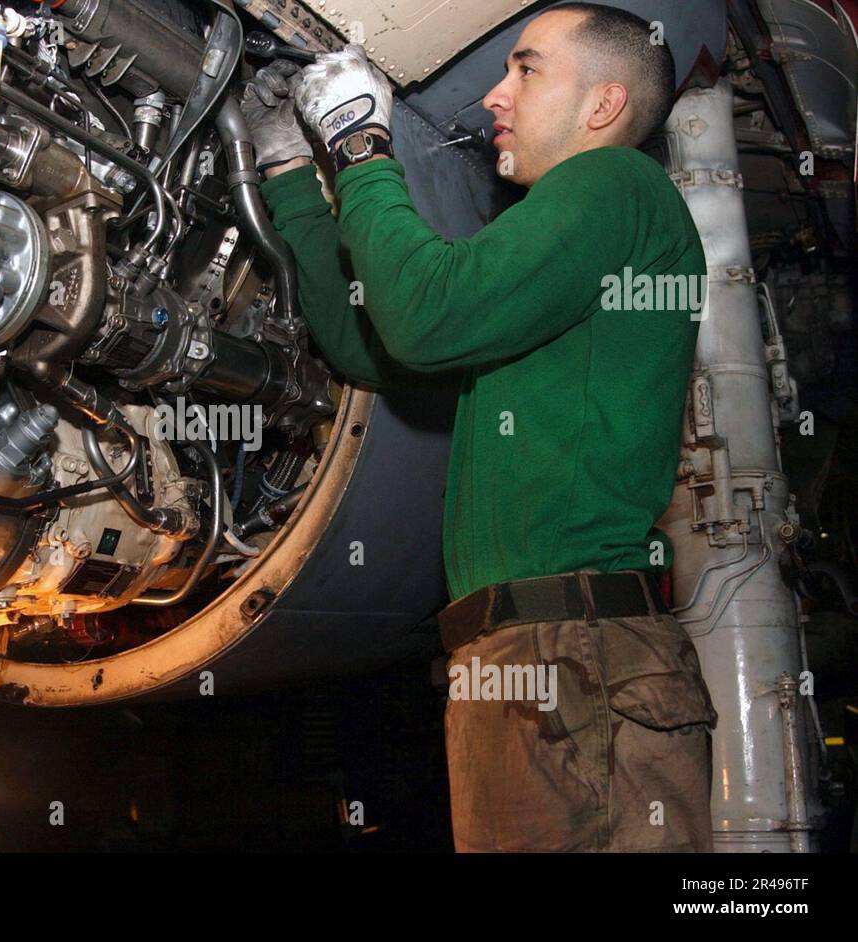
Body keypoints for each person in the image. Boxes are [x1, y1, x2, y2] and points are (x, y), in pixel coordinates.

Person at [241, 2, 718, 851]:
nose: (497, 94)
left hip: (577, 654)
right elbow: (366, 343)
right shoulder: (557, 264)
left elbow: (429, 316)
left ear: (603, 104)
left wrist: (360, 140)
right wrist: (286, 170)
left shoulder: (616, 182)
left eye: (526, 69)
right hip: (532, 654)